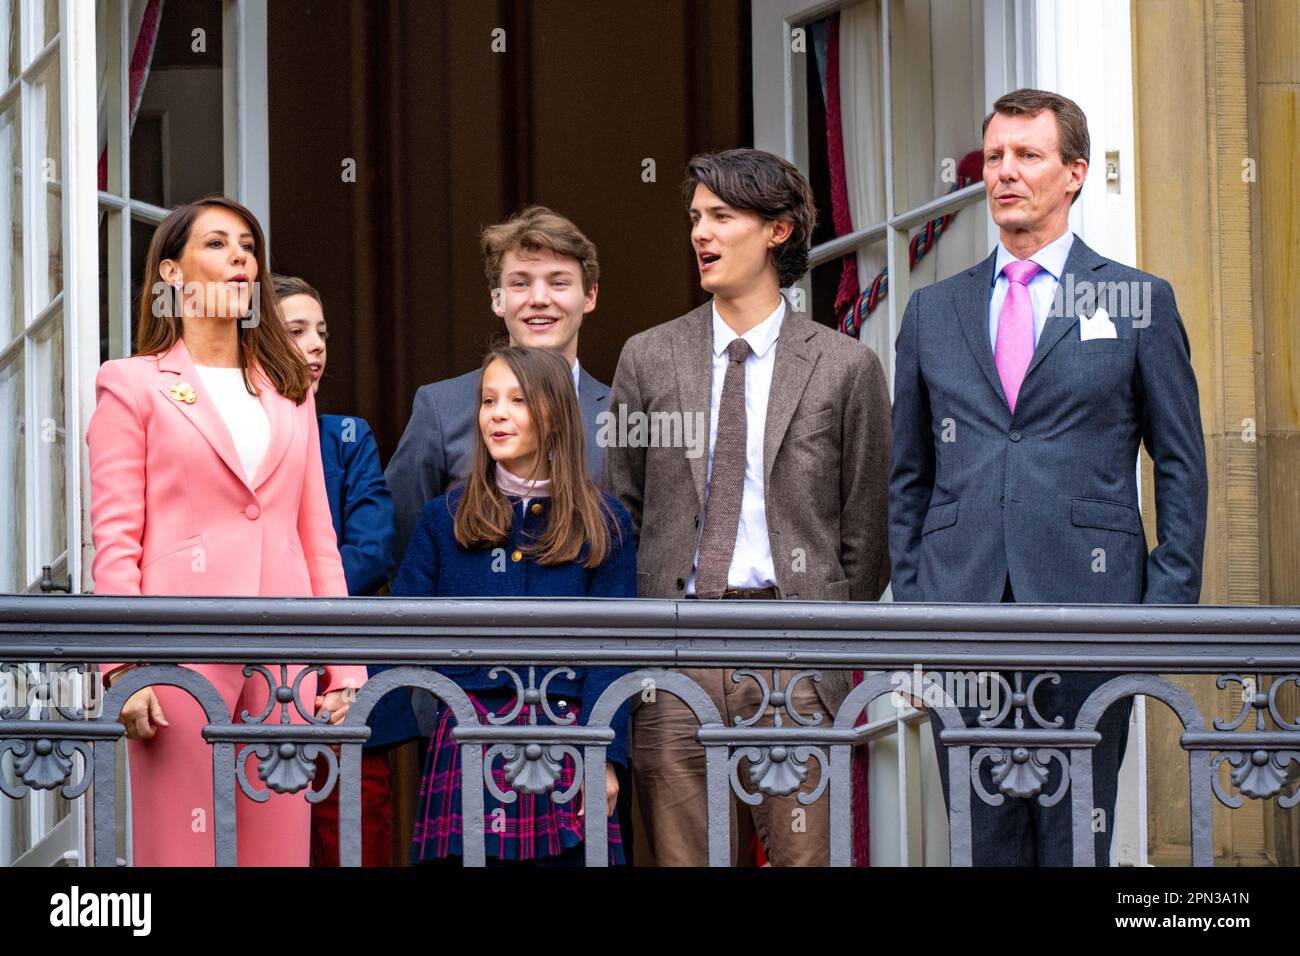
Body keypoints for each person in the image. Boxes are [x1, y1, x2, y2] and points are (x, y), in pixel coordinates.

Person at [888, 88, 1208, 866]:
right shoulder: (932, 311)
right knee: (980, 845)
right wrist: (917, 613)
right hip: (961, 619)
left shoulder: (1138, 300)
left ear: (1074, 173)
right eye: (995, 156)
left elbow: (1180, 463)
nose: (1005, 172)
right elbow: (908, 479)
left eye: (1028, 155)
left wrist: (1160, 614)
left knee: (1075, 844)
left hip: (1091, 616)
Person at [606, 148, 893, 866]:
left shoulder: (846, 366)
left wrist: (820, 640)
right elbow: (623, 514)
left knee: (806, 860)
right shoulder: (647, 357)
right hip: (675, 655)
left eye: (722, 216)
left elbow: (867, 535)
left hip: (796, 655)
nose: (700, 233)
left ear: (777, 230)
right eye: (695, 218)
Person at [87, 197, 368, 866]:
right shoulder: (132, 384)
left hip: (286, 654)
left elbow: (316, 534)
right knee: (182, 850)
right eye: (217, 244)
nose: (240, 256)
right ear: (172, 274)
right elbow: (117, 539)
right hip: (177, 652)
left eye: (248, 245)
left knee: (279, 852)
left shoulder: (291, 387)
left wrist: (344, 662)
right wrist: (122, 666)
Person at [391, 345, 635, 866]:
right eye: (488, 401)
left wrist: (605, 755)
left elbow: (614, 652)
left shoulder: (605, 522)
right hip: (466, 737)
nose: (497, 414)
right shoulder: (443, 519)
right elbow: (399, 629)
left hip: (572, 739)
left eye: (517, 400)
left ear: (557, 416)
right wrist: (355, 696)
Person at [274, 273, 413, 867]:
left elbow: (373, 551)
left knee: (354, 845)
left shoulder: (346, 438)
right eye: (296, 331)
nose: (315, 345)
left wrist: (284, 593)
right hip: (252, 679)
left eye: (322, 333)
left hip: (342, 684)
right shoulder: (226, 441)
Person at [386, 206, 610, 567]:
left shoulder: (621, 414)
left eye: (558, 282)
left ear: (590, 296)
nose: (539, 298)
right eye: (520, 283)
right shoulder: (439, 409)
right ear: (497, 299)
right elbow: (405, 546)